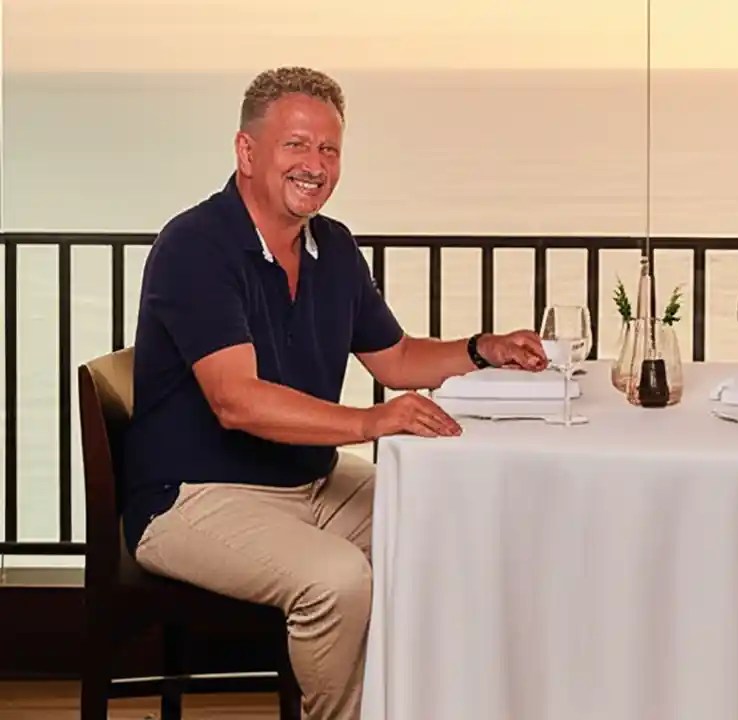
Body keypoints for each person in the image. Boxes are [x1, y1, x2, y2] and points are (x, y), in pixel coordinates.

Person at [122, 66, 548, 720]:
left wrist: (479, 349)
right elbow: (237, 400)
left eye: (329, 150)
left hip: (306, 484)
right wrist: (374, 421)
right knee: (338, 581)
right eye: (296, 145)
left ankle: (427, 703)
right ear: (246, 152)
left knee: (452, 519)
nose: (315, 165)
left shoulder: (335, 248)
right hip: (193, 497)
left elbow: (399, 358)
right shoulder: (196, 247)